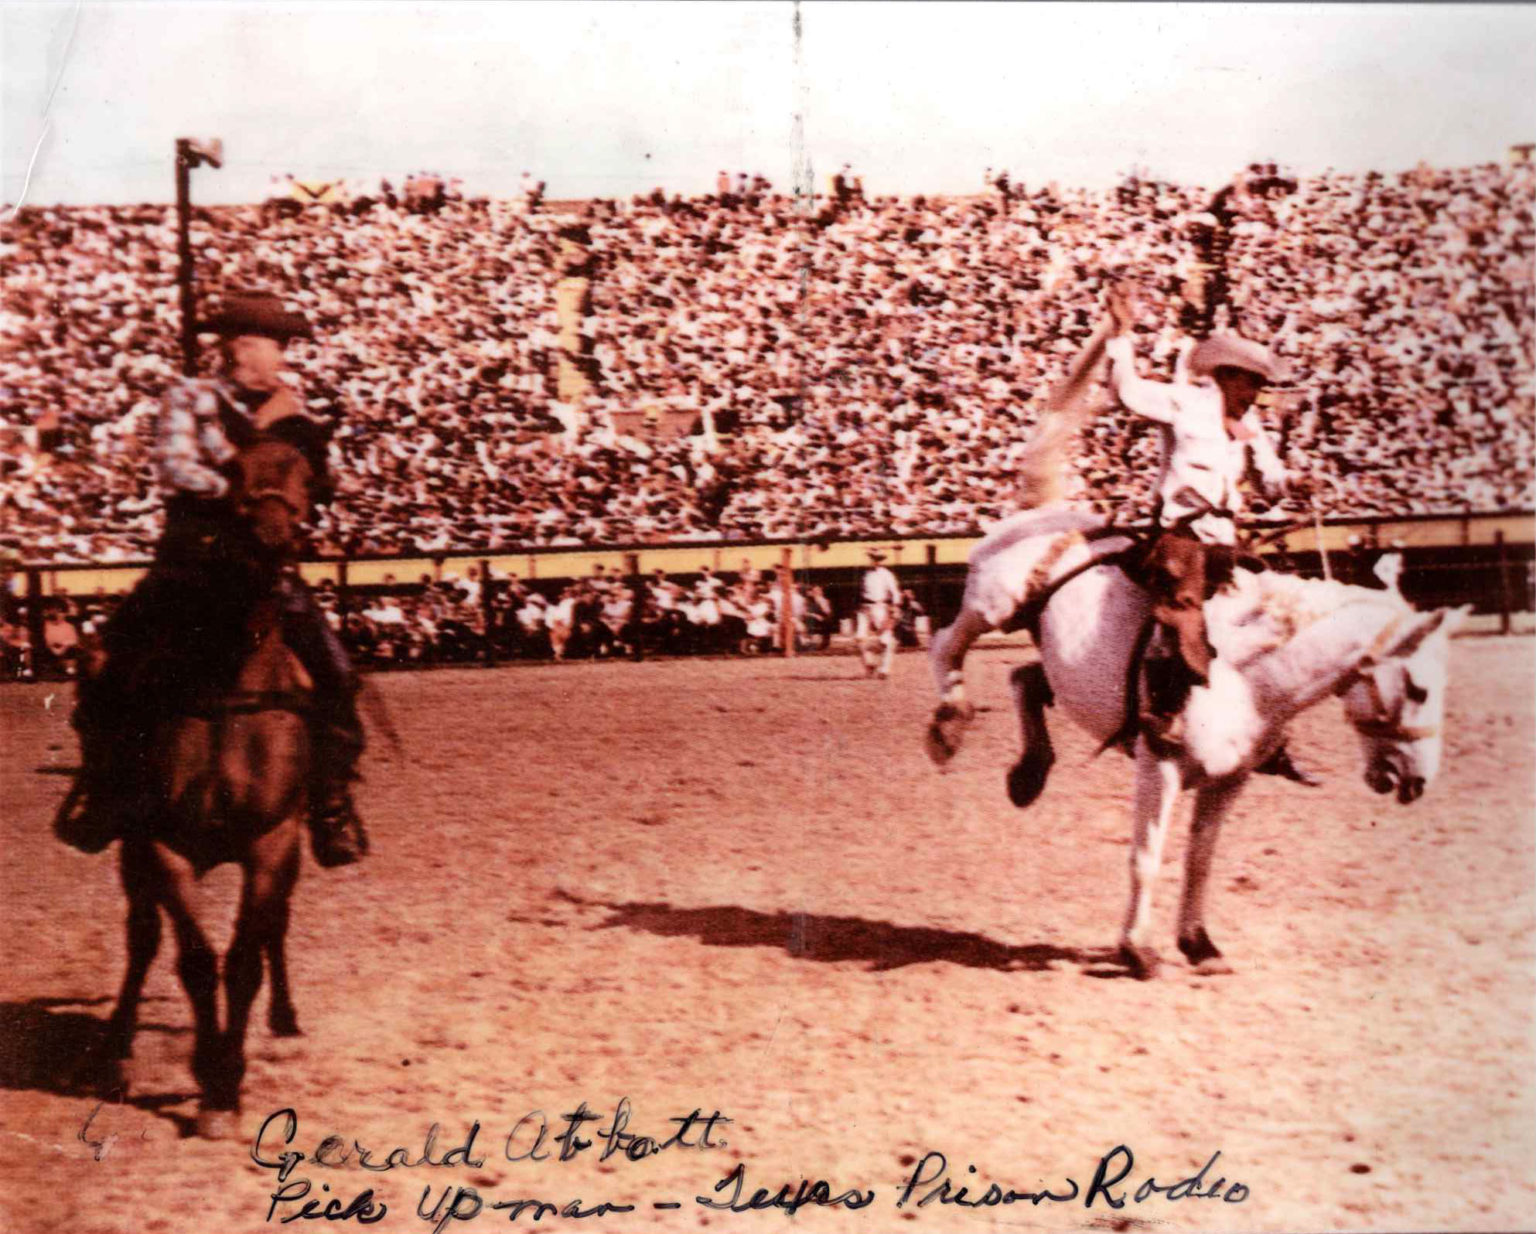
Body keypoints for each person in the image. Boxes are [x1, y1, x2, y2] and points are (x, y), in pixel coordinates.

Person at [57, 290, 371, 862]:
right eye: (238, 343)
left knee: (338, 676)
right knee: (109, 666)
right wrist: (232, 479)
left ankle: (330, 802)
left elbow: (320, 486)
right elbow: (177, 472)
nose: (244, 355)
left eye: (257, 344)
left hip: (266, 573)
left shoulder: (297, 420)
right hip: (189, 566)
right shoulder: (192, 403)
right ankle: (103, 788)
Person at [1103, 288, 1315, 783]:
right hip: (1181, 535)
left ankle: (1269, 736)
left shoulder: (1252, 425)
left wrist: (1294, 482)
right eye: (1251, 383)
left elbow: (1270, 481)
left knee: (1270, 615)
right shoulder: (1184, 402)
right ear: (1226, 375)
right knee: (1184, 611)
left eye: (1261, 386)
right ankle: (1165, 712)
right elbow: (1128, 393)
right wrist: (1120, 337)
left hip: (1225, 537)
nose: (1256, 394)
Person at [856, 548, 902, 678]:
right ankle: (869, 663)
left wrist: (894, 608)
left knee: (885, 640)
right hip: (865, 607)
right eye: (872, 558)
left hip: (881, 607)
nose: (875, 561)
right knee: (859, 638)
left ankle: (884, 670)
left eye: (877, 559)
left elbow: (895, 593)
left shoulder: (887, 574)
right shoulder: (864, 574)